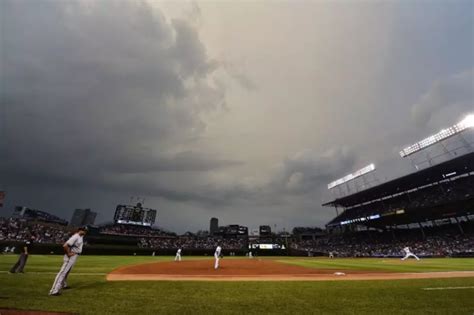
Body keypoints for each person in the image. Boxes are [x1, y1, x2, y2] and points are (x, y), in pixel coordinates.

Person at [49, 226, 87, 296]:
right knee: (63, 272)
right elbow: (65, 245)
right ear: (79, 230)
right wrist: (68, 253)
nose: (85, 232)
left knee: (67, 271)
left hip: (75, 255)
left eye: (85, 231)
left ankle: (63, 284)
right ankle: (54, 290)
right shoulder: (75, 236)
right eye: (83, 230)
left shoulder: (80, 236)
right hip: (71, 256)